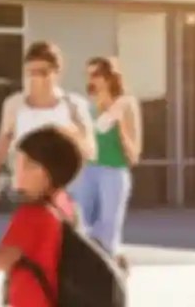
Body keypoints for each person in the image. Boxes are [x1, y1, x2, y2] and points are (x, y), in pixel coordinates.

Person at [0, 126, 83, 307]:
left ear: (42, 171)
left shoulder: (33, 214)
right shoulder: (64, 204)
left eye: (21, 163)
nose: (15, 171)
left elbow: (3, 260)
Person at [0, 41, 96, 203]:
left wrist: (68, 134)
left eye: (43, 72)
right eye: (31, 72)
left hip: (66, 192)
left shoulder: (74, 105)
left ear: (57, 72)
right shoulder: (14, 104)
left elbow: (91, 150)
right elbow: (2, 145)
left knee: (62, 229)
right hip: (25, 190)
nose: (36, 78)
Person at [74, 56, 141, 272]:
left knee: (108, 230)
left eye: (95, 74)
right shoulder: (89, 106)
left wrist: (119, 124)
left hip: (113, 171)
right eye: (88, 74)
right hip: (86, 171)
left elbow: (134, 153)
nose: (90, 80)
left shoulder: (126, 103)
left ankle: (111, 274)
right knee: (79, 225)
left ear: (109, 77)